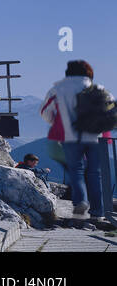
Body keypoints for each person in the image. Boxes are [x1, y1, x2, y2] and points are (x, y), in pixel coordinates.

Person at [41, 60, 115, 219]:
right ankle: (98, 213)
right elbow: (111, 112)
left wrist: (57, 122)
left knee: (76, 171)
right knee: (95, 174)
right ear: (89, 73)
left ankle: (81, 201)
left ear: (68, 73)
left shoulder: (58, 89)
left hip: (70, 136)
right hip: (96, 137)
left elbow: (45, 111)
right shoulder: (100, 89)